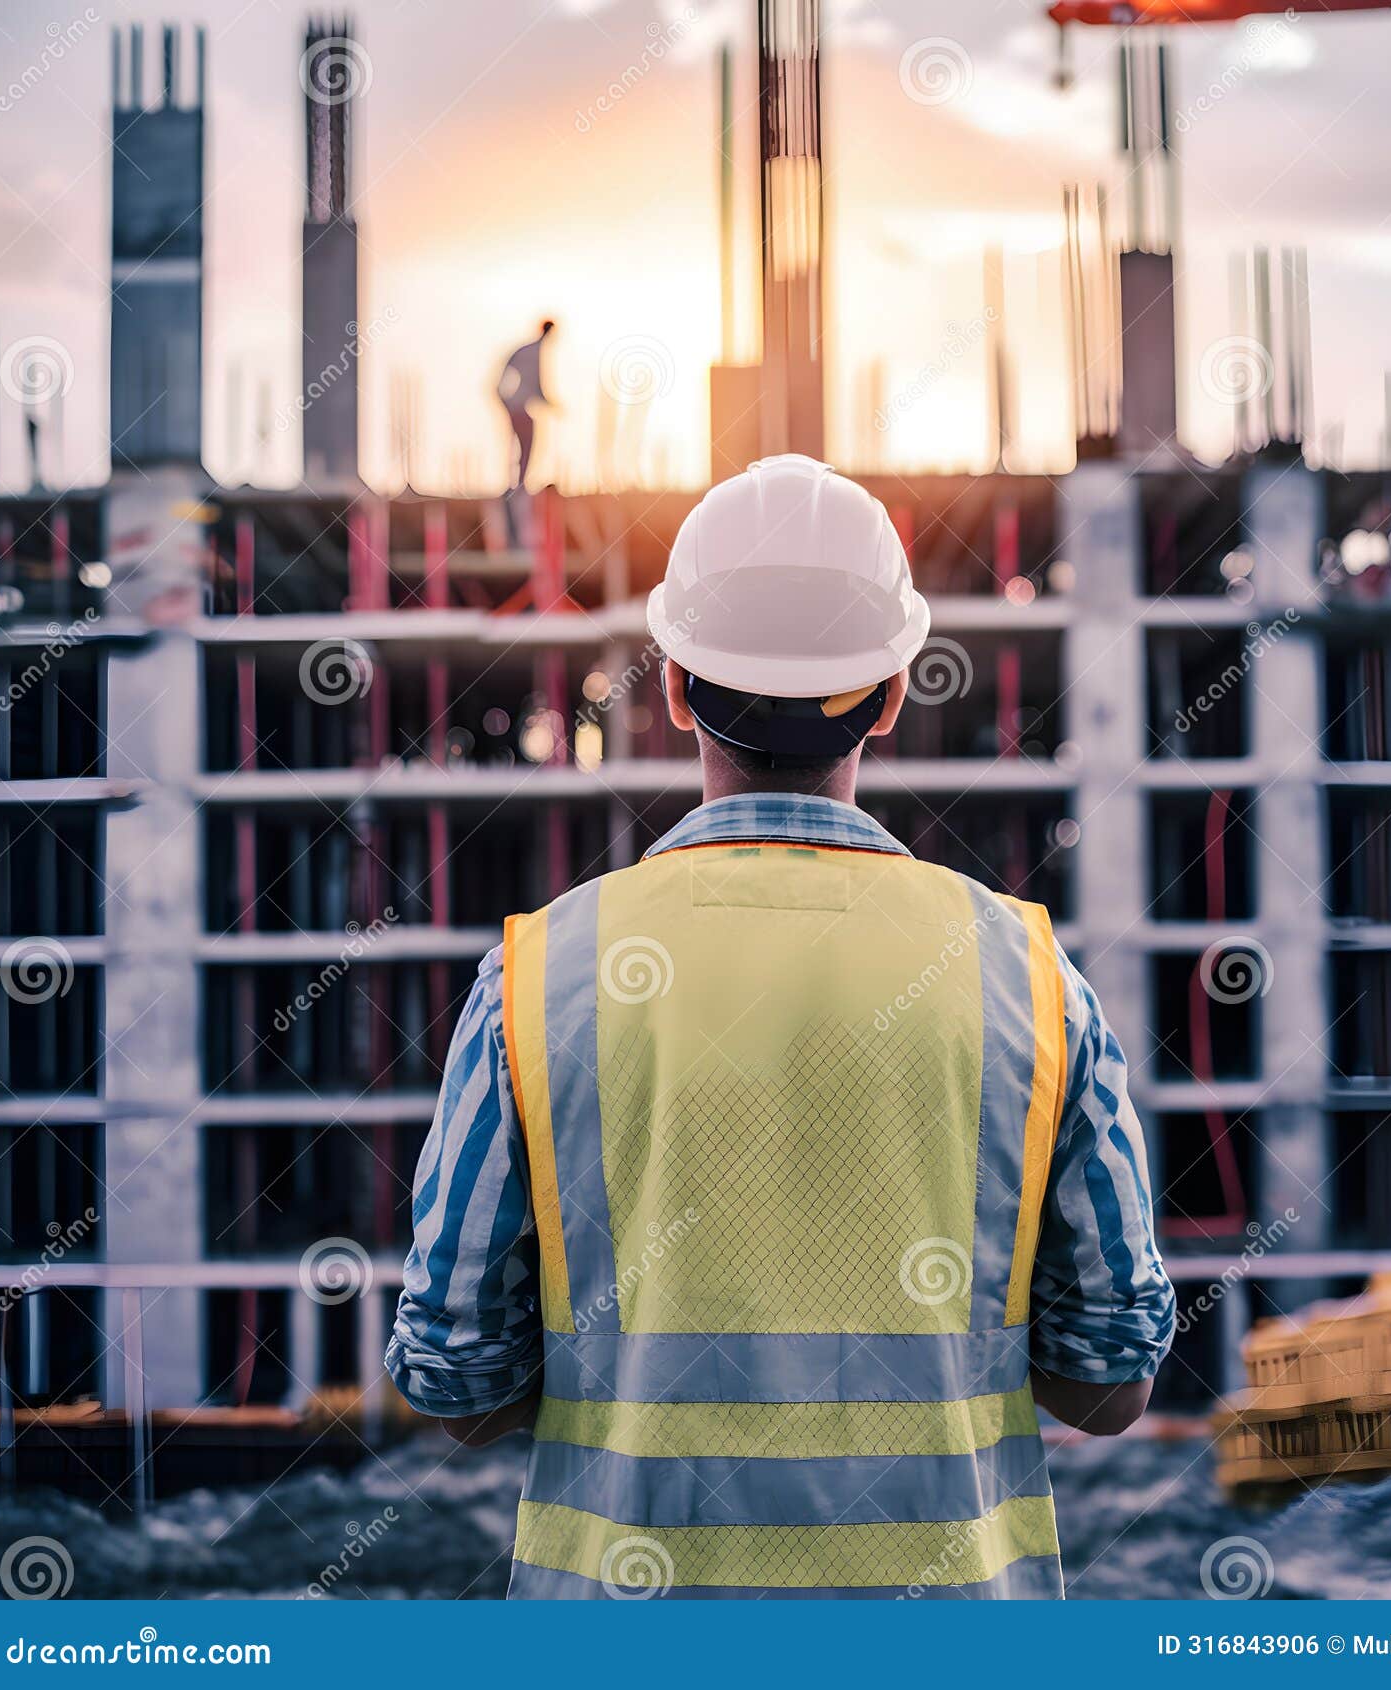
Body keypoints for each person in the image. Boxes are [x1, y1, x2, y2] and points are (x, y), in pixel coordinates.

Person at [386, 454, 1175, 1599]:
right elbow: (1111, 1381)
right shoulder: (1028, 976)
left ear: (674, 688)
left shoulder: (537, 974)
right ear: (893, 691)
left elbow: (453, 1381)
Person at [496, 319, 554, 494]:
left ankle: (516, 483)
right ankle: (519, 483)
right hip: (518, 407)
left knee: (515, 444)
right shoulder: (534, 352)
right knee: (525, 444)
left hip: (515, 405)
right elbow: (537, 385)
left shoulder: (526, 350)